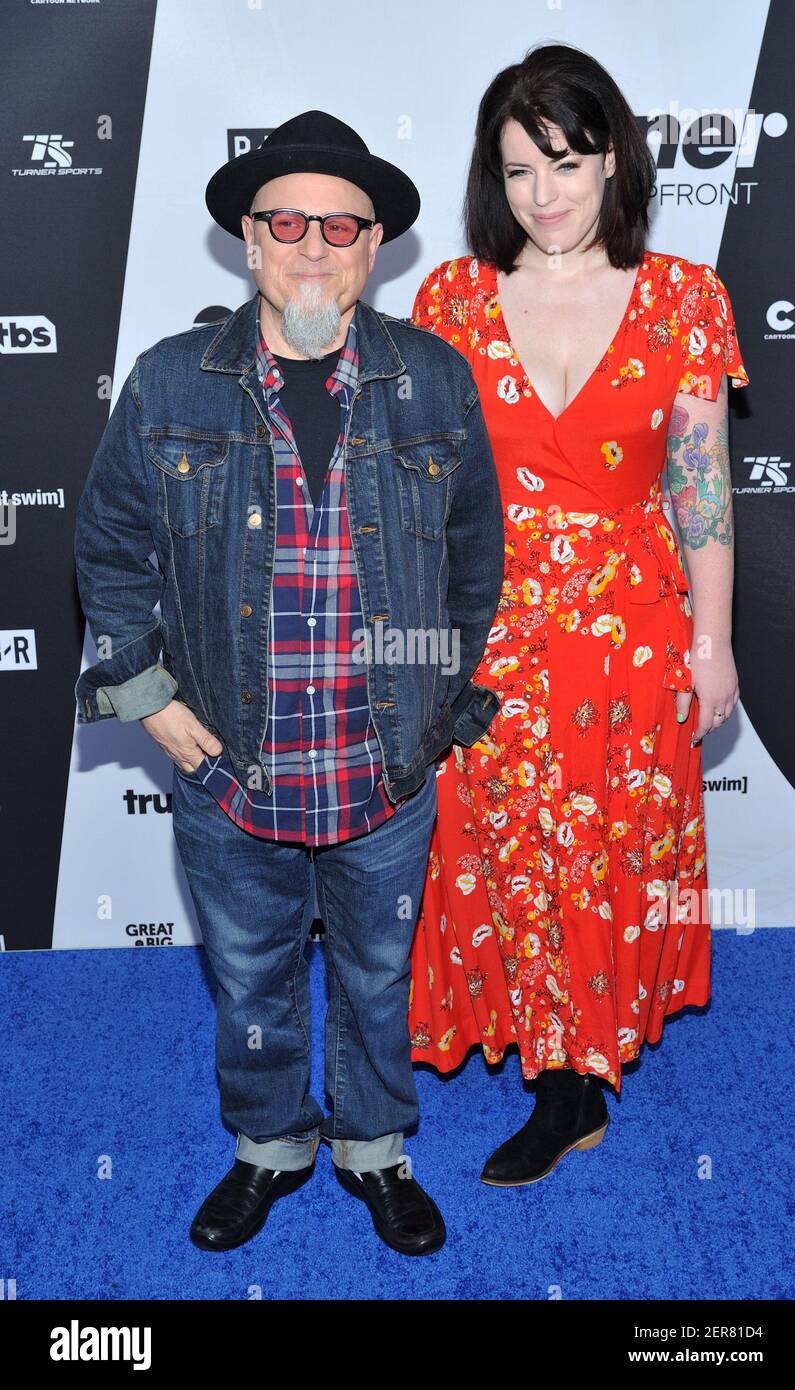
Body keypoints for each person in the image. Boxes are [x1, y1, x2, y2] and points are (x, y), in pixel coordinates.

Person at [74, 109, 504, 1253]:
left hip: (383, 766)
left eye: (341, 224)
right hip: (233, 765)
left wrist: (434, 711)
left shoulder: (434, 383)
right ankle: (269, 1147)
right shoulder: (170, 385)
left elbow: (473, 567)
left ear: (374, 248)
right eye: (288, 222)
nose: (315, 245)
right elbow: (109, 555)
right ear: (250, 243)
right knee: (253, 977)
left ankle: (374, 1150)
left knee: (375, 974)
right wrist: (152, 705)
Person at [407, 44, 749, 1185]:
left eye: (563, 161)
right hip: (492, 628)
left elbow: (699, 490)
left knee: (600, 851)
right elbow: (422, 487)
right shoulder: (451, 299)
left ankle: (573, 1082)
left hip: (630, 630)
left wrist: (712, 643)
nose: (543, 194)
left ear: (612, 159)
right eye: (516, 172)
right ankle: (545, 1056)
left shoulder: (683, 299)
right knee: (503, 851)